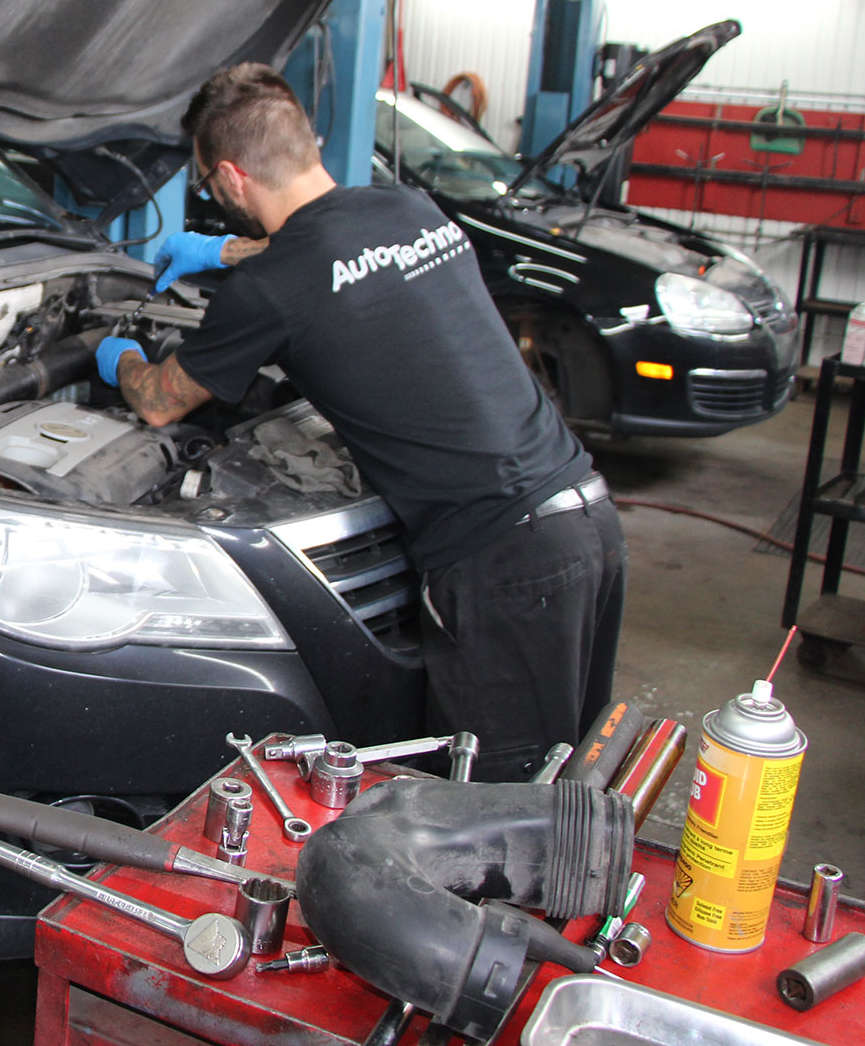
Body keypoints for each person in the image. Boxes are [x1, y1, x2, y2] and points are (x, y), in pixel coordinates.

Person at [95, 63, 626, 781]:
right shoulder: (410, 208)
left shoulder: (269, 290)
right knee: (570, 781)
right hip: (585, 519)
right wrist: (219, 250)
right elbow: (330, 249)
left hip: (502, 561)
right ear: (304, 143)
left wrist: (121, 358)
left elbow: (160, 400)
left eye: (209, 185)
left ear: (232, 177)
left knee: (496, 807)